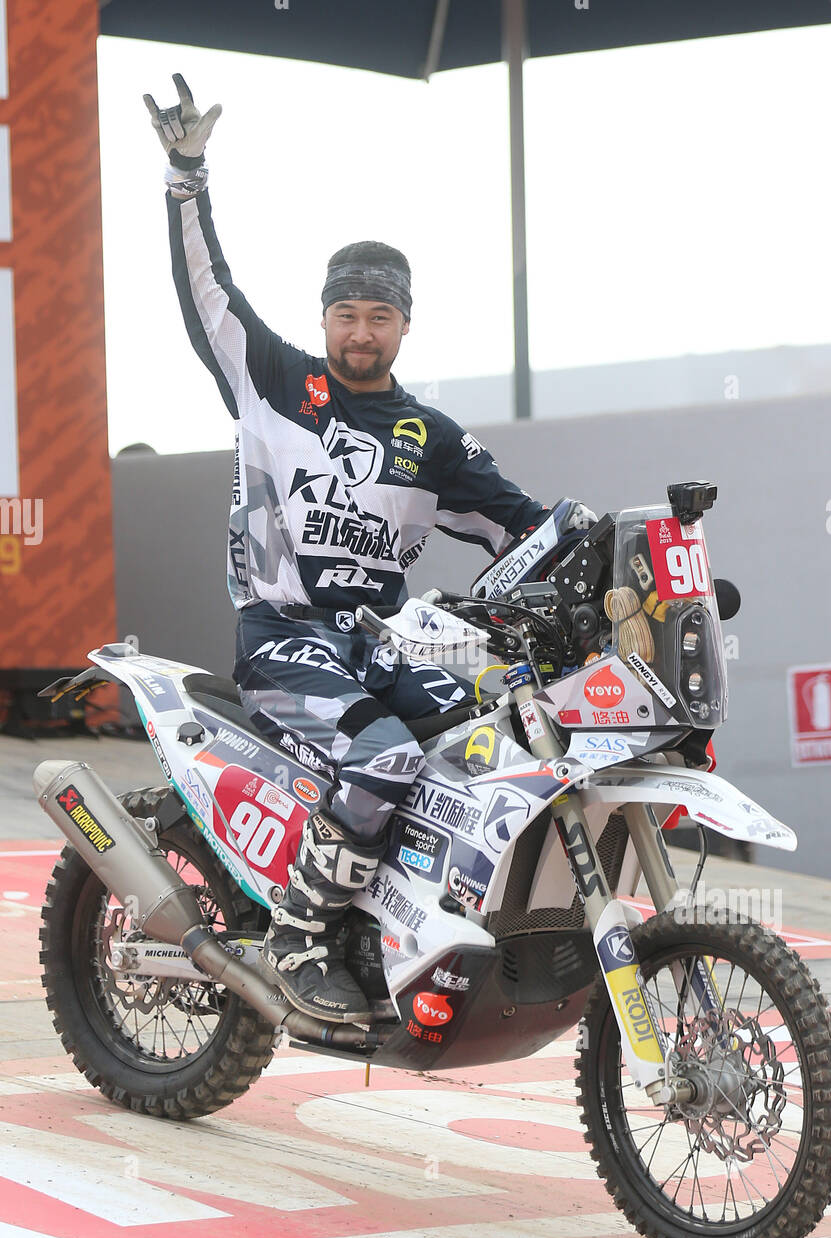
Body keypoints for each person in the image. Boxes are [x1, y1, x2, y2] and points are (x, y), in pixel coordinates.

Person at [143, 74, 594, 1025]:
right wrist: (188, 178)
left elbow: (529, 524)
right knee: (385, 758)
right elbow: (207, 295)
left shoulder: (430, 437)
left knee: (492, 722)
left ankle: (404, 922)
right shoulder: (273, 382)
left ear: (403, 324)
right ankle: (305, 929)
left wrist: (632, 560)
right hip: (282, 638)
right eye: (345, 313)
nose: (360, 330)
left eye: (378, 315)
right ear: (324, 319)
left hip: (380, 640)